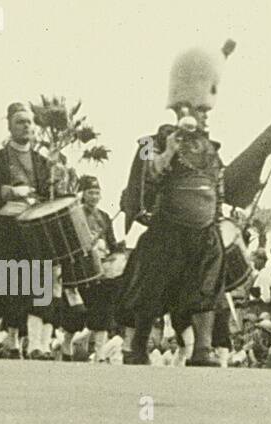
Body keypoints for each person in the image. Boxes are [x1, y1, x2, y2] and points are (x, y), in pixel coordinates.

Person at [116, 41, 236, 366]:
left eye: (207, 111)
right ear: (184, 107)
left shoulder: (211, 147)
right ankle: (136, 346)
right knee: (151, 287)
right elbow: (147, 178)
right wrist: (167, 151)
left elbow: (218, 186)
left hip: (205, 231)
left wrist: (221, 215)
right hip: (169, 228)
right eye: (201, 110)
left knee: (207, 289)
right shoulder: (154, 141)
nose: (205, 116)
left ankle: (203, 349)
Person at [0, 102, 53, 359]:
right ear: (9, 125)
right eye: (20, 122)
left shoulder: (43, 163)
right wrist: (4, 191)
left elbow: (53, 195)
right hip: (3, 227)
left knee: (38, 284)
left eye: (29, 122)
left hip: (33, 228)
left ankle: (36, 345)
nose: (26, 126)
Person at [59, 175, 121, 362]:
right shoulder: (74, 215)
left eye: (97, 193)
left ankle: (100, 354)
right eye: (90, 192)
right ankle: (67, 344)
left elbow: (112, 242)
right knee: (75, 315)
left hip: (99, 269)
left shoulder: (104, 217)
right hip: (79, 269)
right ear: (82, 194)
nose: (94, 196)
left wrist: (114, 250)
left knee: (103, 312)